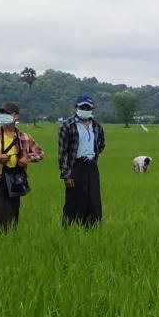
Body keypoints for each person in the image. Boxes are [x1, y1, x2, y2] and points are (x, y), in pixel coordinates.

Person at [0, 102, 45, 232]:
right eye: (1, 113)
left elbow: (40, 153)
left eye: (7, 113)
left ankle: (9, 239)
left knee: (12, 215)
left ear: (16, 115)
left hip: (14, 180)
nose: (3, 115)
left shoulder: (24, 137)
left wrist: (27, 158)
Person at [56, 94, 105, 227]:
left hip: (91, 166)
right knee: (74, 200)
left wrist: (91, 154)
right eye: (82, 107)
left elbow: (101, 145)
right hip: (75, 166)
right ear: (76, 107)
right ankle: (70, 229)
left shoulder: (97, 126)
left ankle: (92, 229)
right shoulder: (67, 126)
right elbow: (62, 152)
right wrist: (66, 175)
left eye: (88, 108)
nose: (85, 110)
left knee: (93, 200)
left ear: (92, 109)